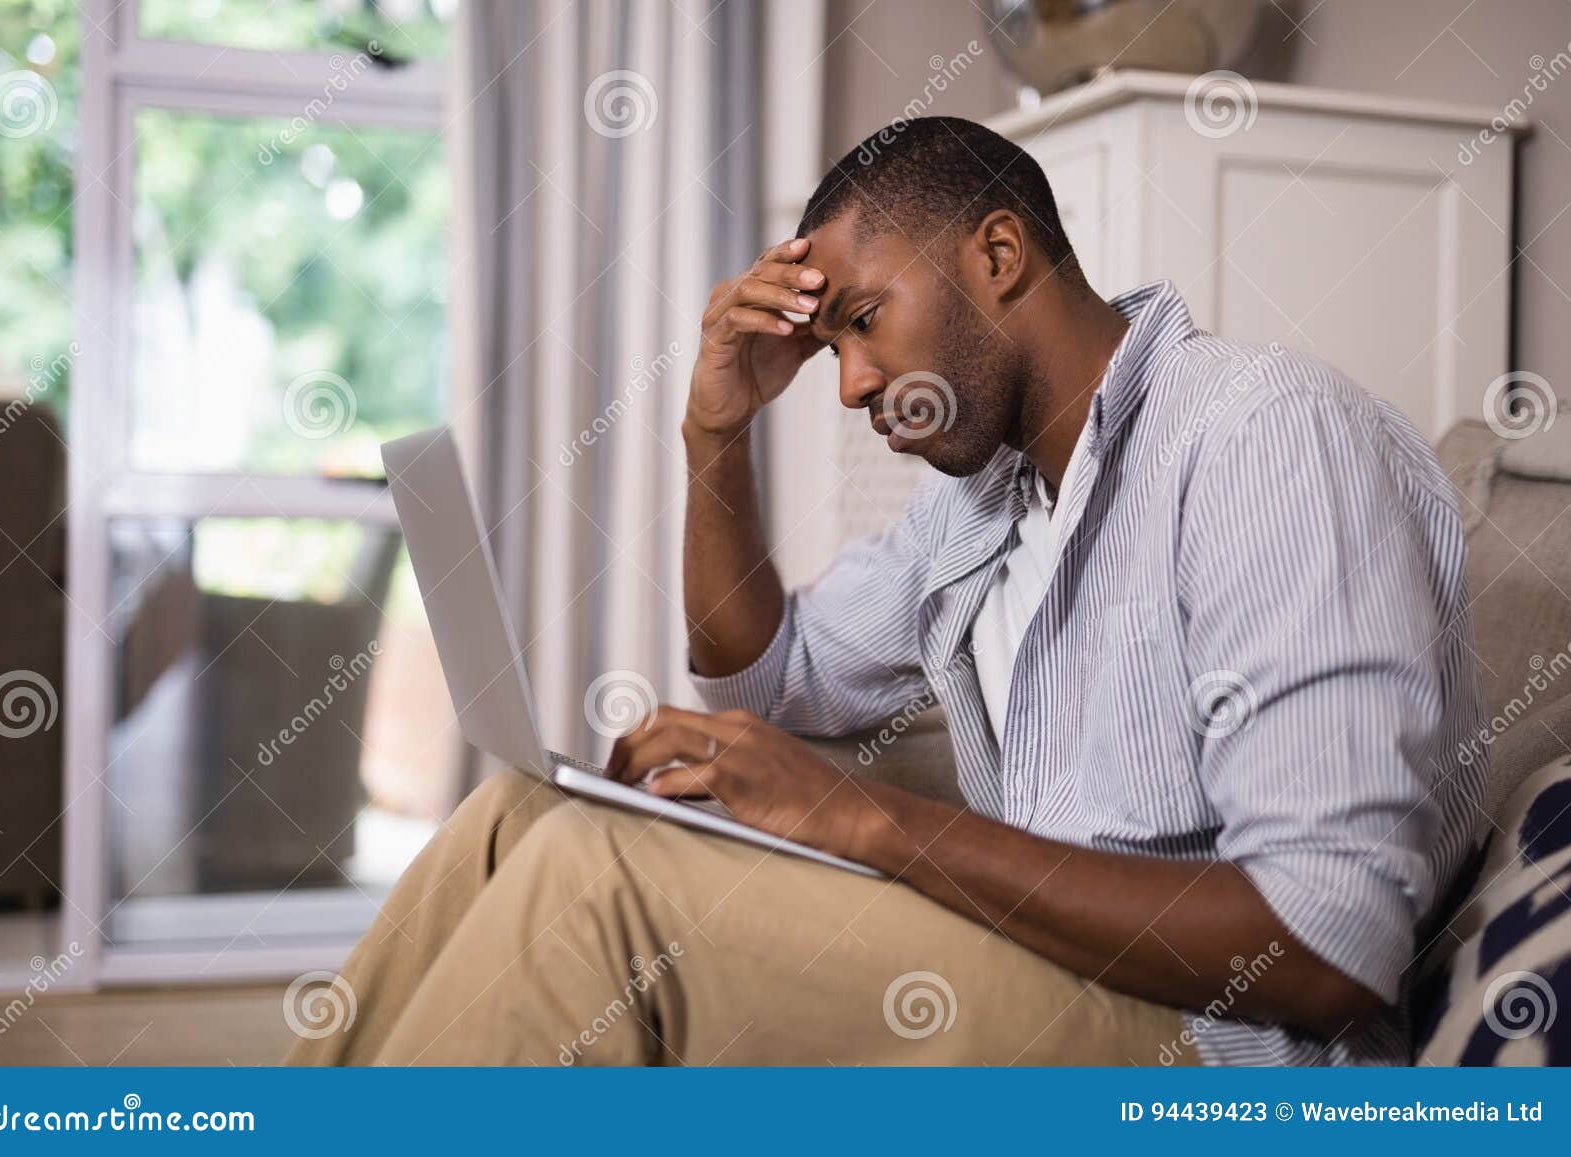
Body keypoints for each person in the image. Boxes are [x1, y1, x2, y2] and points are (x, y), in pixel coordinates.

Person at [288, 116, 1483, 1067]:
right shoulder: (985, 501)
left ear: (998, 257)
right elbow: (766, 677)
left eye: (864, 322)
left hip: (1217, 1055)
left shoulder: (1262, 436)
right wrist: (715, 432)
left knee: (592, 882)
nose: (853, 383)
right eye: (831, 349)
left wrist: (870, 820)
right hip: (1053, 977)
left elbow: (1326, 940)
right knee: (518, 819)